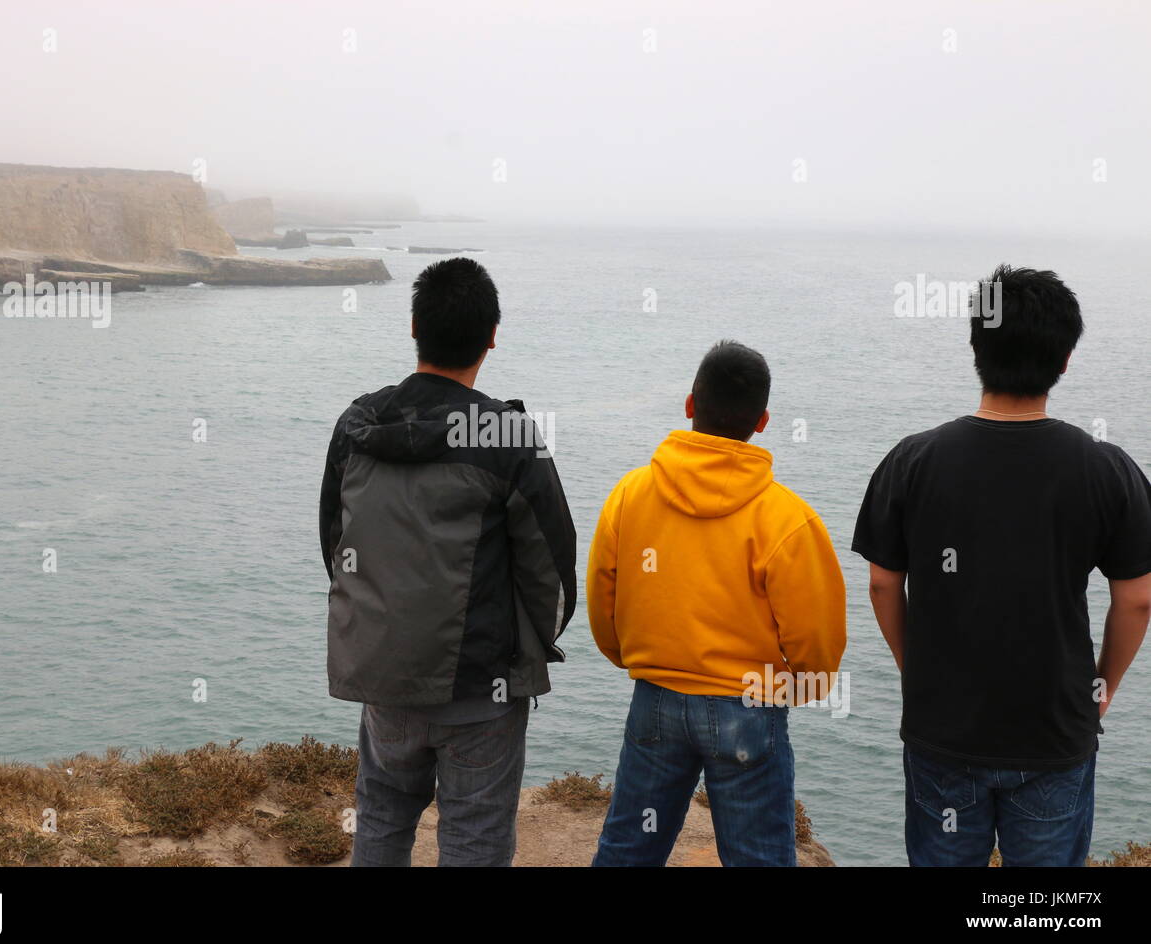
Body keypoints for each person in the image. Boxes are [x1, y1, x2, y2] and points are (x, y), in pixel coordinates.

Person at [853, 264, 1151, 867]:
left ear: (975, 349)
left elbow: (884, 583)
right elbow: (1137, 599)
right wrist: (1102, 689)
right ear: (1065, 359)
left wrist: (917, 669)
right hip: (1054, 731)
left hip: (943, 729)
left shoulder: (913, 460)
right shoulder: (1107, 470)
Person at [320, 257, 577, 866]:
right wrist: (530, 646)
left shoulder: (358, 426)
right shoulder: (508, 438)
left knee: (381, 816)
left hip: (383, 674)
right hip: (480, 687)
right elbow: (554, 577)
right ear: (491, 337)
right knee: (475, 840)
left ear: (414, 327)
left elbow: (337, 547)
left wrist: (378, 620)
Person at [587, 339, 847, 866]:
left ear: (689, 405)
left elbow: (603, 597)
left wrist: (633, 658)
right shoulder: (788, 519)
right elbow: (816, 643)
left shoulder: (630, 495)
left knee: (627, 851)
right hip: (750, 704)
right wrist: (790, 688)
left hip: (655, 696)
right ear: (764, 420)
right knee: (757, 858)